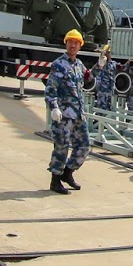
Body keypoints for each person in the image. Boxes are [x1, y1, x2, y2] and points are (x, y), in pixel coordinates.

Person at [44, 30, 90, 194]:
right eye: (70, 42)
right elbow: (50, 89)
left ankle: (67, 173)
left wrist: (99, 66)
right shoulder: (59, 64)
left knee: (84, 146)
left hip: (78, 114)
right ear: (66, 43)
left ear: (80, 46)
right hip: (63, 115)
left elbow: (89, 80)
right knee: (61, 147)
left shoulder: (79, 65)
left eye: (76, 43)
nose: (73, 45)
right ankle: (55, 181)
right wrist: (54, 107)